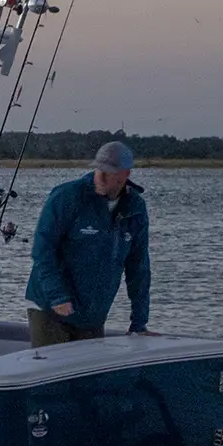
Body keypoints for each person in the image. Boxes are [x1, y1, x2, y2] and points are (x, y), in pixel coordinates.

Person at [25, 140, 153, 347]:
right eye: (98, 170)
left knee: (88, 370)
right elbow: (42, 251)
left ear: (125, 175)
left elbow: (138, 267)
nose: (100, 177)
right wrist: (57, 296)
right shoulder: (66, 196)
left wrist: (139, 322)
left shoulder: (135, 208)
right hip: (50, 308)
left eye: (108, 172)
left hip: (92, 315)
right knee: (55, 364)